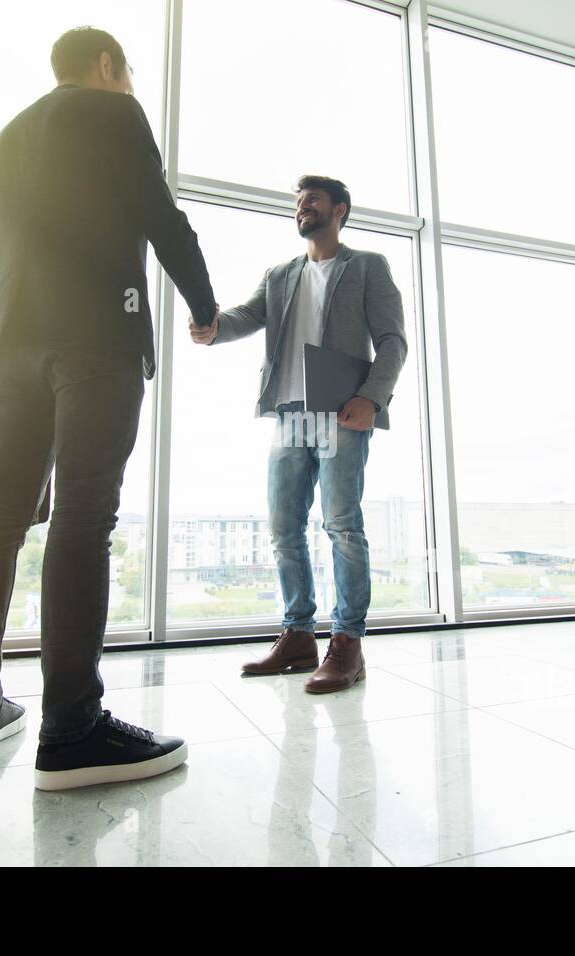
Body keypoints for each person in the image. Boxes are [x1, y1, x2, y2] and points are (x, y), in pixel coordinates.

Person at [0, 27, 218, 791]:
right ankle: (72, 727)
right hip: (95, 335)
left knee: (0, 515)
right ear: (106, 66)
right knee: (84, 513)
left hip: (12, 348)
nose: (130, 82)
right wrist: (202, 304)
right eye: (128, 70)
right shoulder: (114, 114)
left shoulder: (3, 139)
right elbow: (162, 215)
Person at [189, 176, 407, 693]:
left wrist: (370, 398)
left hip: (339, 413)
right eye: (298, 204)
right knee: (284, 530)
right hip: (289, 413)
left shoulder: (368, 268)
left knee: (342, 527)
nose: (302, 209)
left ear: (340, 210)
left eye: (312, 202)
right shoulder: (281, 274)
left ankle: (347, 643)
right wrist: (216, 326)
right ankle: (298, 636)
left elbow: (394, 340)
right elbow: (248, 315)